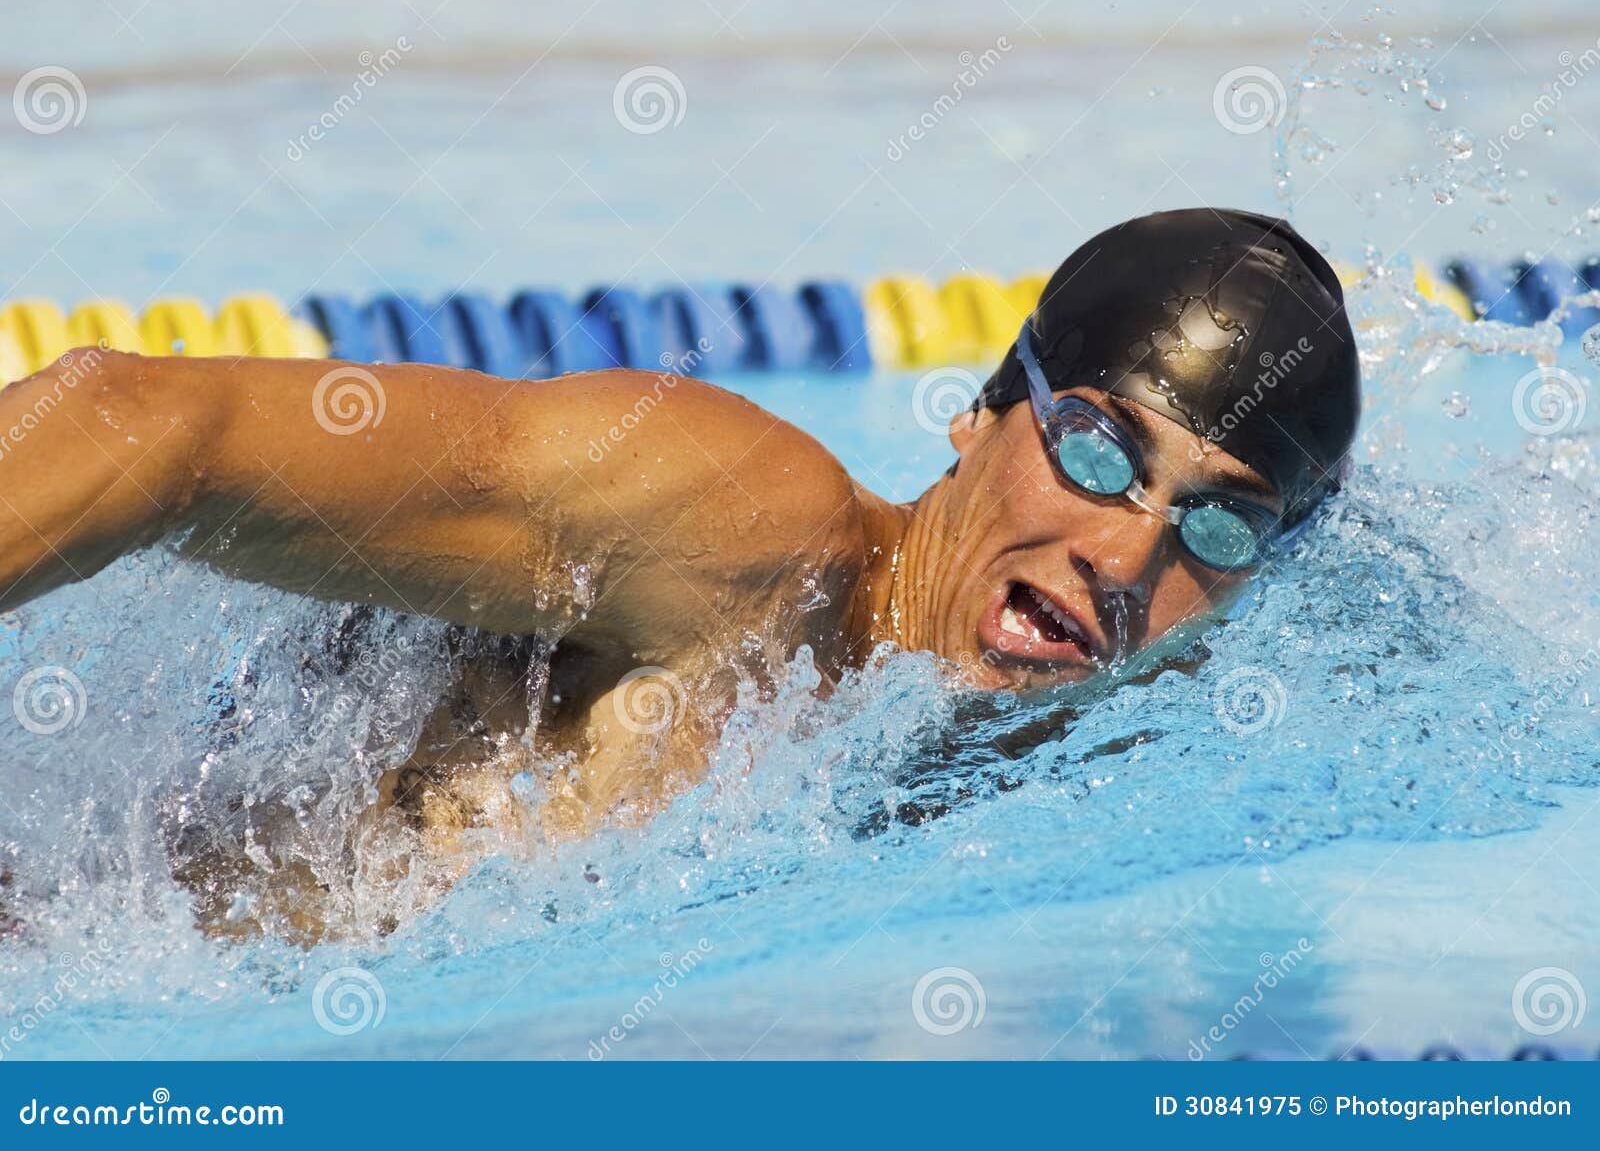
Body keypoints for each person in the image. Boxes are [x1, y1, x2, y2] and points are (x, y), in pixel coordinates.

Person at [0, 208, 1358, 934]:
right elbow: (145, 420)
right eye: (1099, 454)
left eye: (1219, 528)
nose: (1124, 554)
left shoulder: (1071, 743)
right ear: (986, 405)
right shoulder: (749, 531)